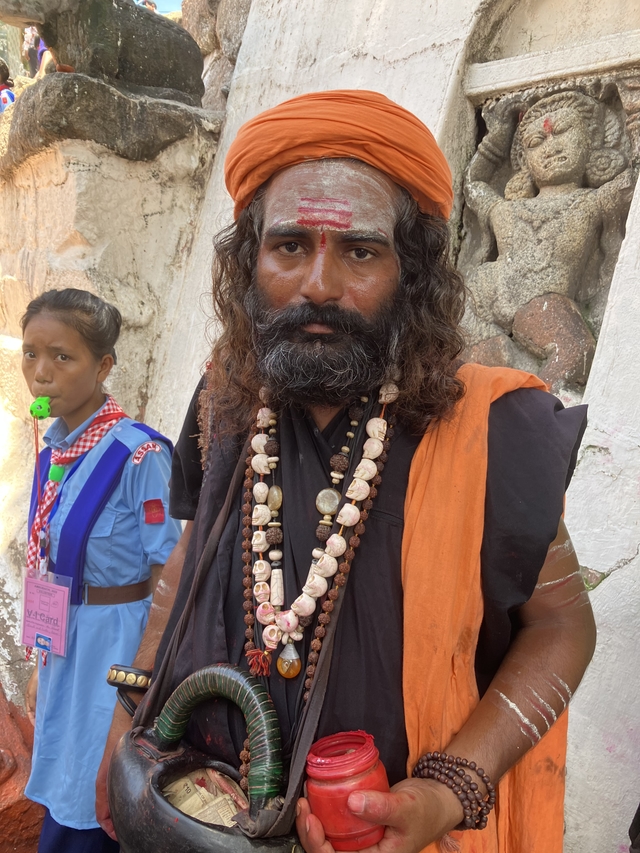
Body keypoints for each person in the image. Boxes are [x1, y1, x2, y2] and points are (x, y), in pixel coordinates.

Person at [97, 90, 596, 853]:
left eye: (359, 251)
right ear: (249, 258)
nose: (319, 284)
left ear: (413, 270)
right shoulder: (226, 394)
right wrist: (126, 725)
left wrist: (447, 788)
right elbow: (182, 569)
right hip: (196, 813)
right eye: (290, 246)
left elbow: (561, 626)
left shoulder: (495, 428)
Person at [21, 288, 182, 853]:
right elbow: (49, 563)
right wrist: (43, 657)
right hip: (68, 642)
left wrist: (149, 671)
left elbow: (171, 563)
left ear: (104, 365)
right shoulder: (54, 454)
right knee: (62, 771)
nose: (41, 373)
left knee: (97, 786)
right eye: (30, 354)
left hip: (117, 643)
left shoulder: (138, 455)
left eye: (62, 357)